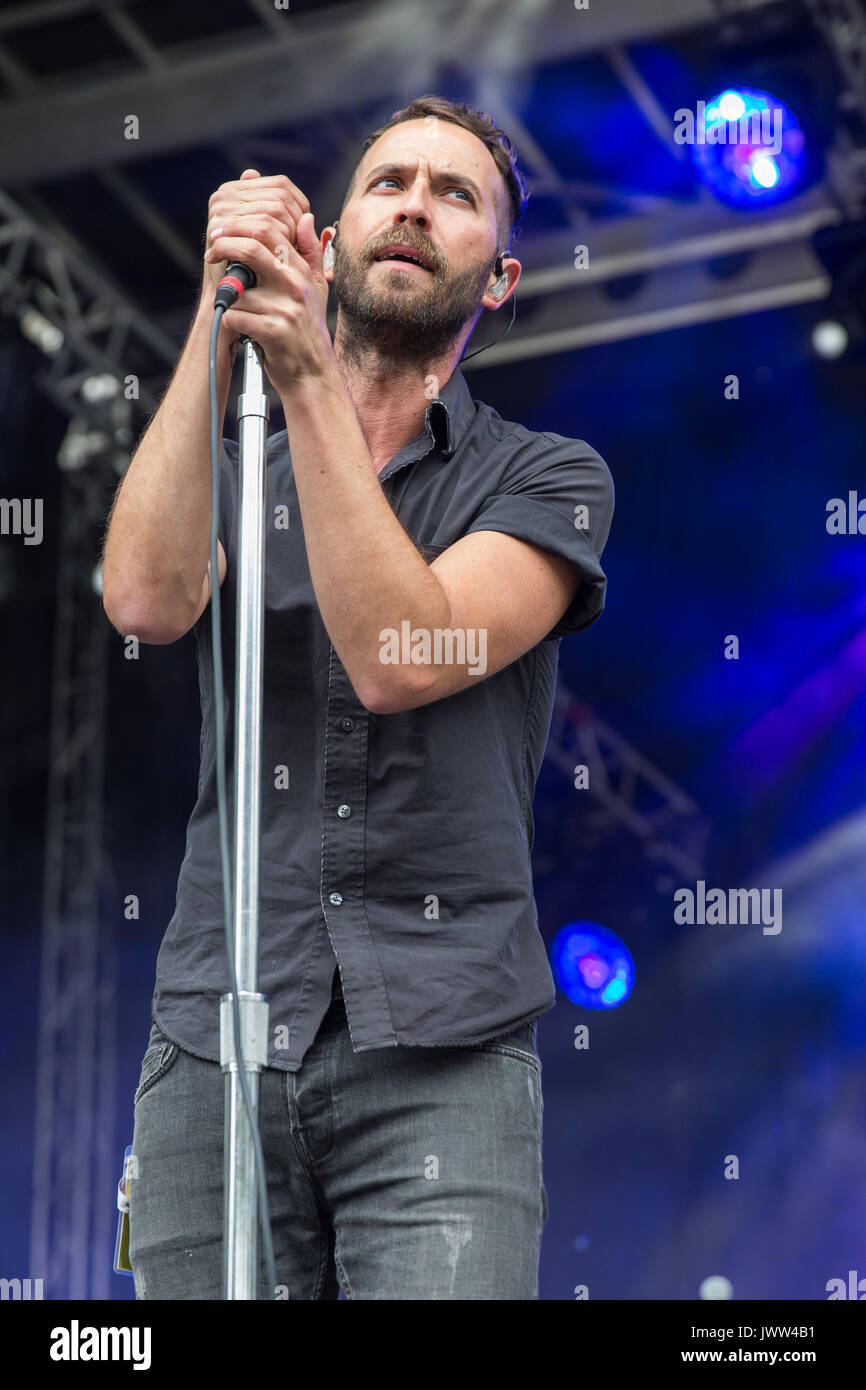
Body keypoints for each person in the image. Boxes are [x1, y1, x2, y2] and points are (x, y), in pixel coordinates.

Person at [101, 95, 614, 1300]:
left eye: (454, 196)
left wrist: (308, 381)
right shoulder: (234, 456)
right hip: (217, 1036)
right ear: (327, 242)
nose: (414, 209)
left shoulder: (547, 476)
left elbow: (399, 651)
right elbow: (141, 599)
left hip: (446, 1050)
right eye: (389, 183)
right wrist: (218, 310)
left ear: (498, 278)